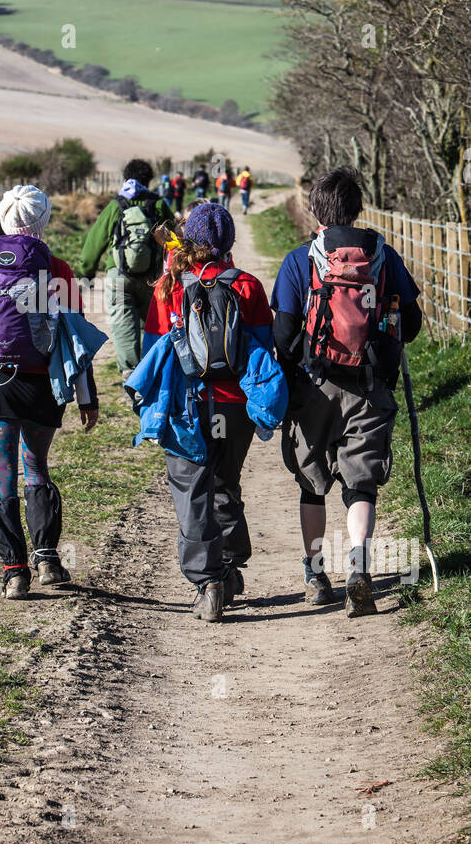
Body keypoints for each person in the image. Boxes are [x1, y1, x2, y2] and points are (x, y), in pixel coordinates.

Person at [271, 167, 422, 616]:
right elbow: (411, 325)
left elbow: (282, 334)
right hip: (371, 386)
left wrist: (295, 370)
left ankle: (316, 576)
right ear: (357, 210)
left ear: (315, 210)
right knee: (360, 483)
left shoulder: (301, 261)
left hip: (314, 387)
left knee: (312, 482)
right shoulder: (383, 256)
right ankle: (359, 567)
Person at [142, 201, 276, 622]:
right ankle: (232, 568)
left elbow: (151, 353)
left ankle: (209, 582)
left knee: (191, 491)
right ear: (229, 243)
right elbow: (264, 350)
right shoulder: (249, 286)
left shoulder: (168, 288)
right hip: (235, 408)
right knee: (225, 482)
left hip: (187, 407)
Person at [0, 184, 99, 600]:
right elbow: (75, 340)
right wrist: (87, 396)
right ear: (43, 221)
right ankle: (48, 561)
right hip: (41, 384)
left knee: (2, 479)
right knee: (36, 467)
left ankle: (14, 573)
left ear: (3, 218)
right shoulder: (57, 268)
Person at [78, 158, 173, 382]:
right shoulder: (158, 205)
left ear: (125, 178)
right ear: (149, 181)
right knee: (150, 322)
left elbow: (95, 241)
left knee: (123, 323)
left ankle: (130, 372)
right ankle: (152, 370)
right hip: (151, 276)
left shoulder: (116, 206)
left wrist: (87, 271)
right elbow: (174, 239)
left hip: (118, 275)